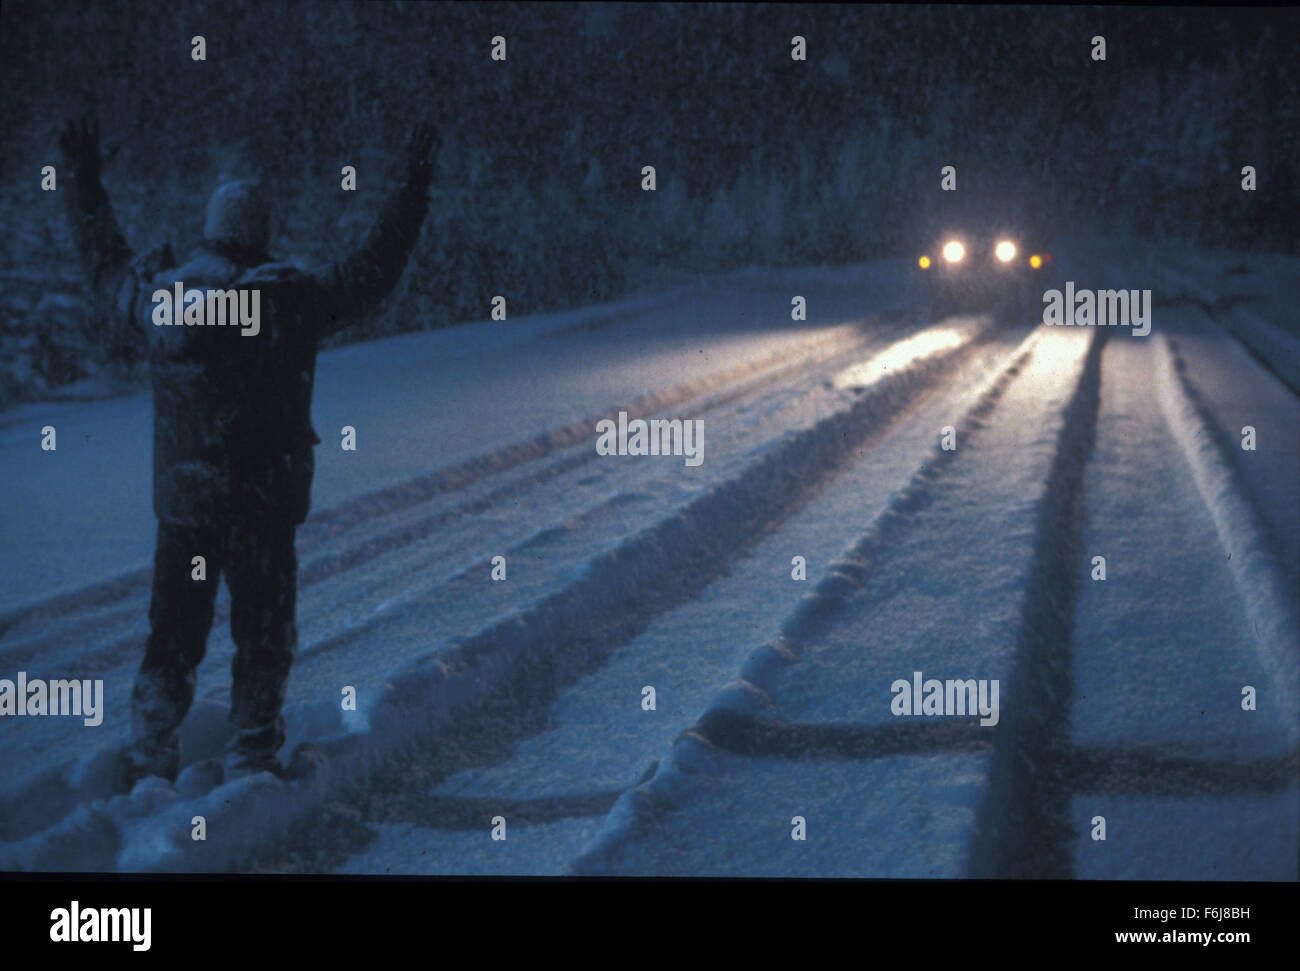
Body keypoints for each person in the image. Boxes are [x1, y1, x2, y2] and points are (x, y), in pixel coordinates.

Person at [57, 118, 437, 784]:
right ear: (260, 234)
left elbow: (104, 263)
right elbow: (375, 268)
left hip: (186, 509)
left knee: (172, 632)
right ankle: (252, 750)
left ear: (209, 230)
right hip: (261, 507)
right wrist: (413, 186)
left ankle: (150, 750)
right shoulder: (291, 300)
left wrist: (81, 175)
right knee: (262, 633)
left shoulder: (161, 303)